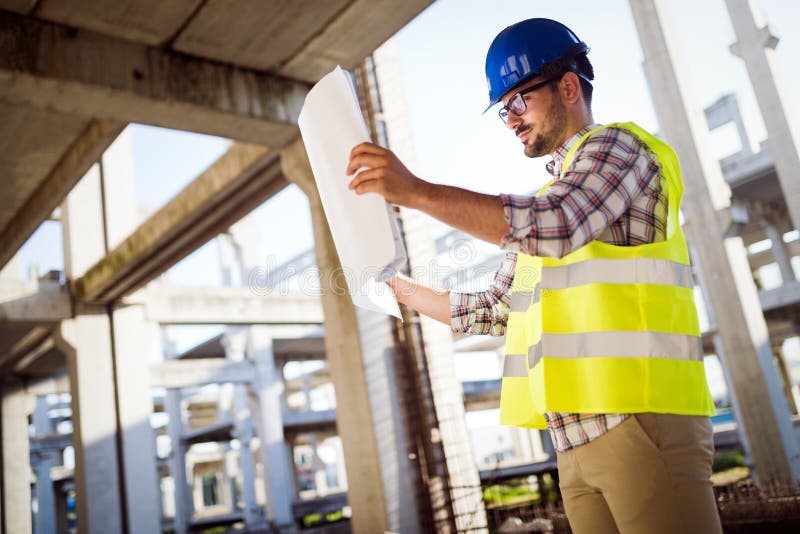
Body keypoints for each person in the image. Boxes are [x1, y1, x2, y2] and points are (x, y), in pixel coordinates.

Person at [346, 17, 722, 534]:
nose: (512, 120)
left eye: (520, 100)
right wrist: (390, 284)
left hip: (642, 423)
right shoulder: (544, 213)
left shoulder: (620, 150)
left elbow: (560, 224)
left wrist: (415, 191)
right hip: (574, 444)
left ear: (568, 86)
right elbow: (493, 310)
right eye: (504, 110)